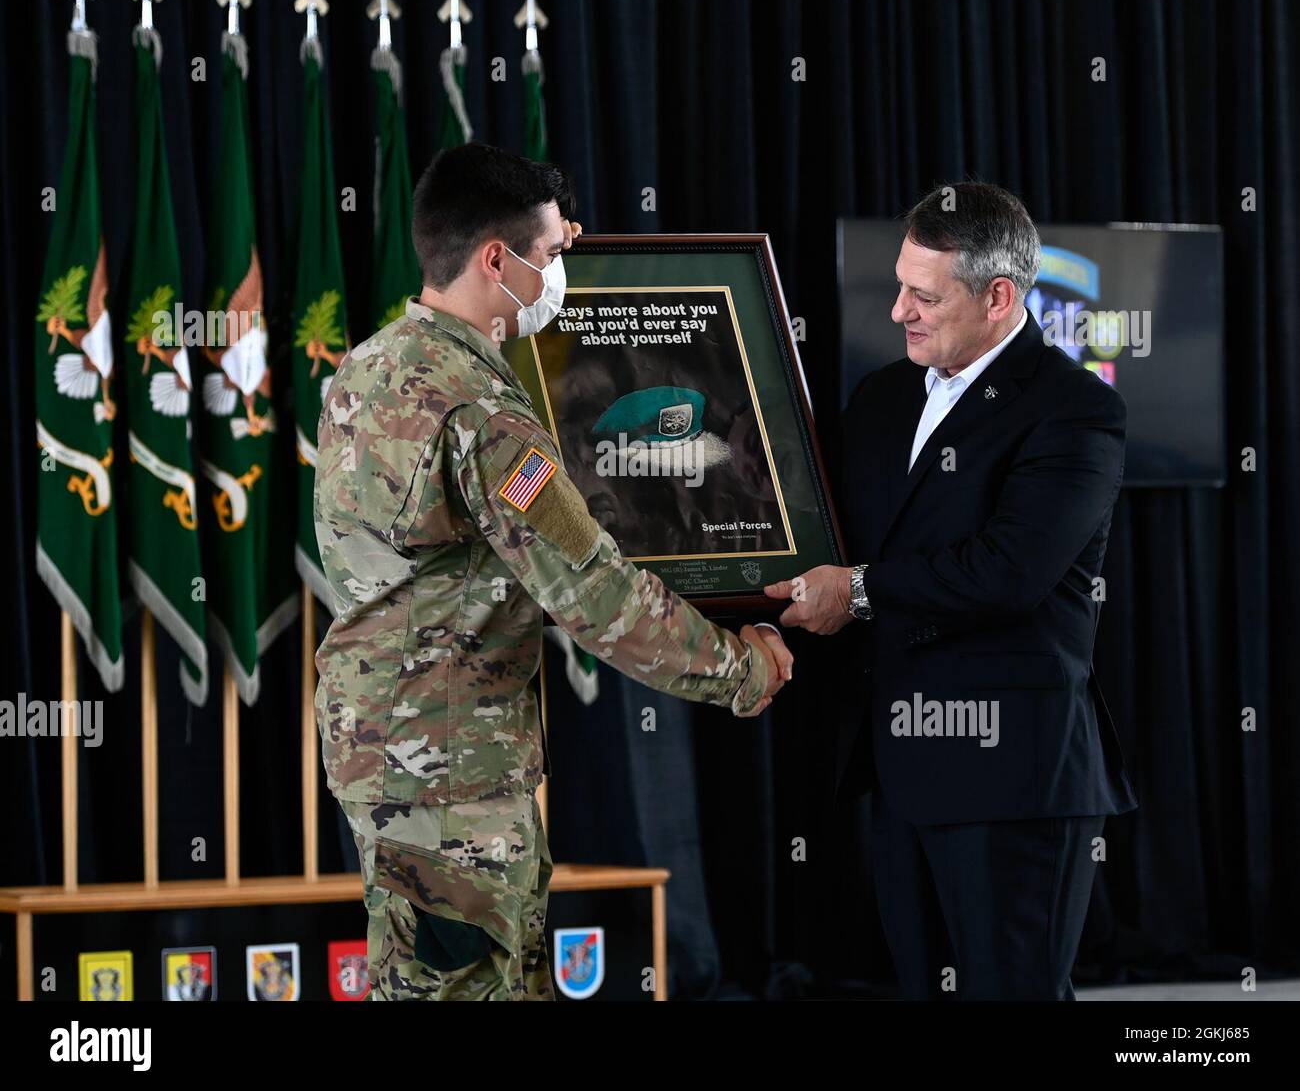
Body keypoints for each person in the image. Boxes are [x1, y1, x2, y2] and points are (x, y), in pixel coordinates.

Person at [313, 142, 793, 1001]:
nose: (560, 276)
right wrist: (743, 669)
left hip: (389, 756)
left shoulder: (369, 367)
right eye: (553, 257)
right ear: (496, 260)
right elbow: (595, 592)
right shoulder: (485, 414)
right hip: (452, 774)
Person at [766, 182, 1136, 1000]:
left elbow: (1007, 573)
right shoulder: (881, 398)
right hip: (899, 768)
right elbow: (806, 526)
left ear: (999, 296)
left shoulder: (1076, 413)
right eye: (899, 284)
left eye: (923, 294)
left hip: (1015, 777)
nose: (898, 310)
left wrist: (854, 593)